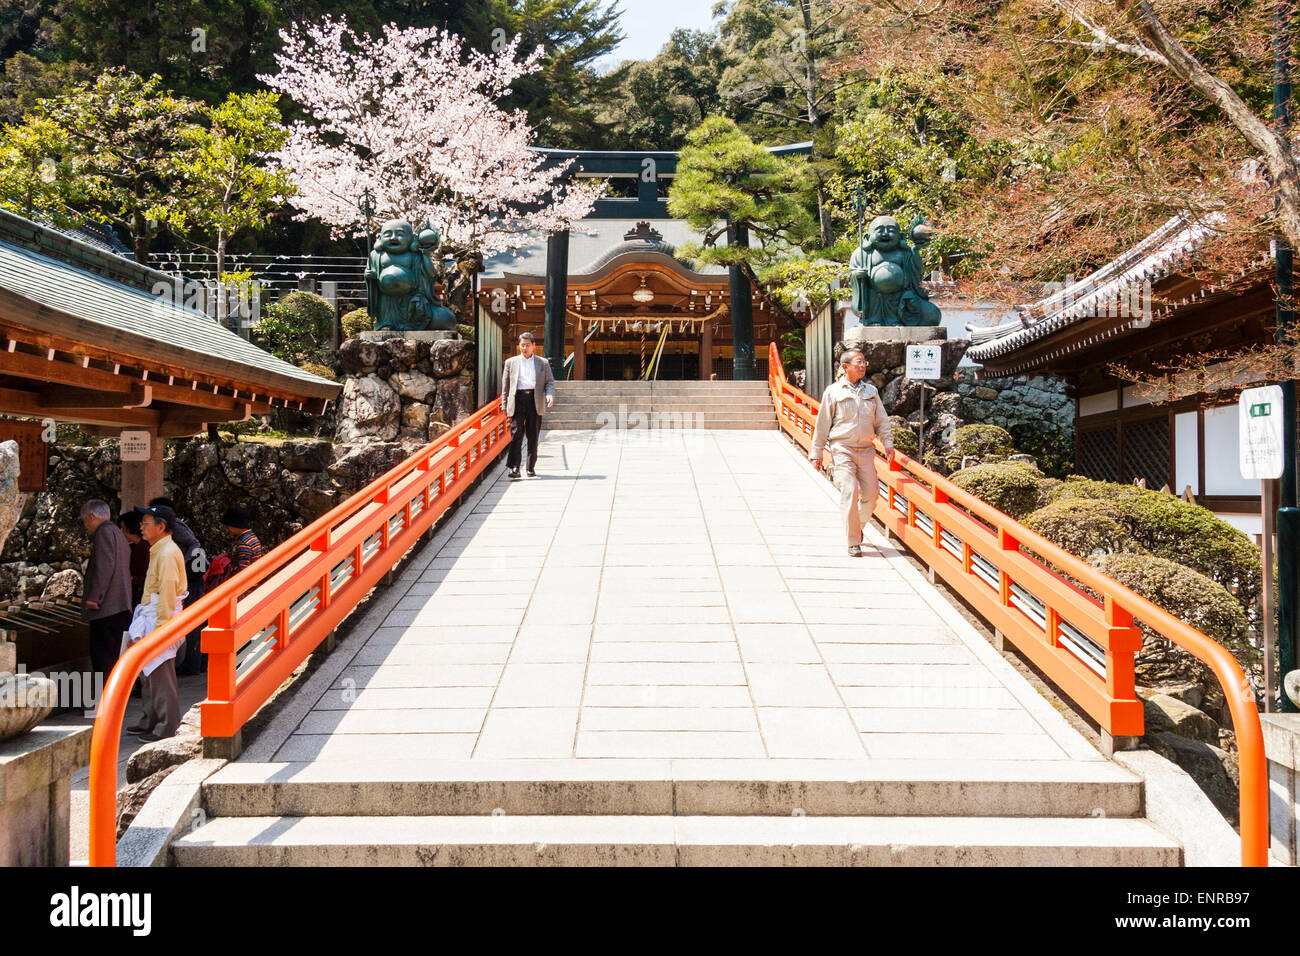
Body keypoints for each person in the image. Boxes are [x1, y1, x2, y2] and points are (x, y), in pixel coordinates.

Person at [809, 349, 895, 557]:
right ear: (845, 366)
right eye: (858, 362)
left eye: (864, 362)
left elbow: (882, 420)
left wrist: (888, 442)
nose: (863, 365)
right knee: (850, 489)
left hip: (866, 450)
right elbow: (822, 424)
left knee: (872, 495)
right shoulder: (833, 391)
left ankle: (856, 529)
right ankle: (853, 541)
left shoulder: (871, 392)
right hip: (842, 448)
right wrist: (816, 452)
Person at [126, 504, 187, 741]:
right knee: (149, 675)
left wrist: (162, 628)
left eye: (145, 523)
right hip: (152, 614)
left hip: (161, 617)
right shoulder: (160, 549)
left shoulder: (167, 552)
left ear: (161, 527)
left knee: (160, 676)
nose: (141, 527)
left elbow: (168, 592)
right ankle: (151, 720)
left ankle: (166, 725)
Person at [149, 496, 206, 675]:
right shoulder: (172, 527)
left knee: (189, 623)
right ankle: (190, 664)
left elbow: (194, 544)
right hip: (188, 580)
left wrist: (184, 565)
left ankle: (189, 665)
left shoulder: (176, 527)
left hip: (190, 581)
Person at [79, 500, 133, 690]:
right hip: (120, 604)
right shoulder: (118, 533)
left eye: (85, 521)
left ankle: (106, 703)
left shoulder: (103, 533)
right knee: (113, 656)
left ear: (92, 517)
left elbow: (104, 567)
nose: (86, 526)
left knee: (103, 658)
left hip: (107, 608)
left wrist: (94, 597)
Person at [500, 332, 555, 479]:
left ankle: (530, 467)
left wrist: (549, 394)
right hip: (517, 399)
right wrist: (503, 405)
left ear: (533, 346)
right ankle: (515, 467)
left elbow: (550, 381)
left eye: (527, 345)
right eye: (522, 345)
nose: (524, 348)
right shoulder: (510, 362)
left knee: (533, 435)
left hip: (534, 400)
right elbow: (505, 386)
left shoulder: (542, 363)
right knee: (516, 433)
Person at [118, 511, 150, 606]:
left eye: (123, 529)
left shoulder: (147, 547)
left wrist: (131, 578)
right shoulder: (133, 546)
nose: (121, 532)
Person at [221, 506, 265, 573]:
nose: (228, 529)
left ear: (235, 525)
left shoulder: (244, 544)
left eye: (228, 526)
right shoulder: (253, 537)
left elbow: (242, 571)